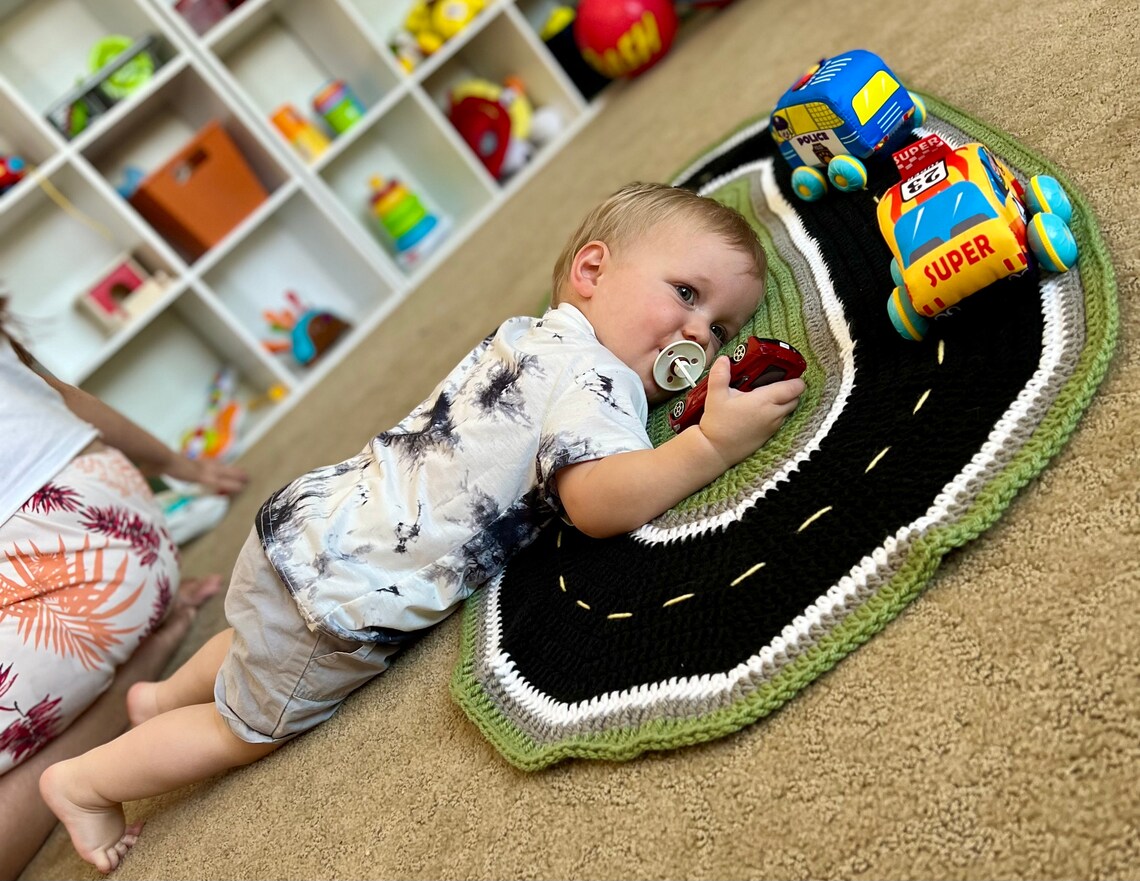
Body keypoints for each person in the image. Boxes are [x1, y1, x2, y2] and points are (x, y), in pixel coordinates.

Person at [40, 181, 807, 873]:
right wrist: (708, 444)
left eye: (721, 323)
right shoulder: (597, 379)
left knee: (256, 630)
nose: (699, 335)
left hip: (302, 524)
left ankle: (163, 693)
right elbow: (598, 501)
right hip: (342, 605)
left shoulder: (528, 335)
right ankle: (87, 781)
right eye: (685, 293)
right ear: (592, 271)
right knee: (248, 727)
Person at [0, 297, 248, 880]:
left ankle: (141, 666)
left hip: (70, 573)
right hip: (127, 523)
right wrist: (184, 469)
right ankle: (148, 648)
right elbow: (68, 400)